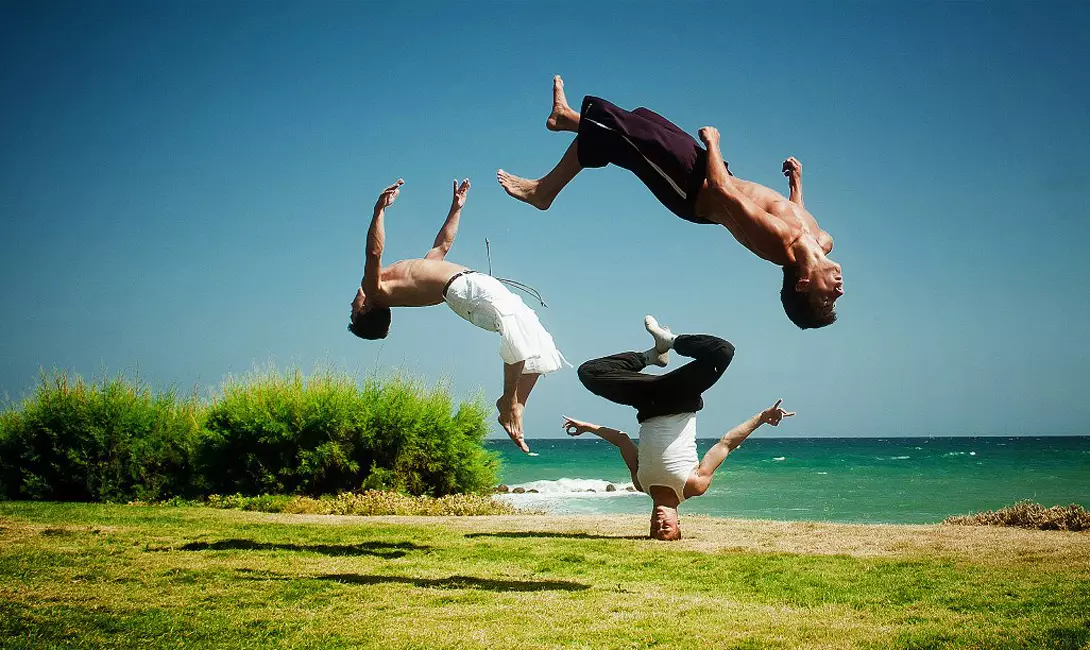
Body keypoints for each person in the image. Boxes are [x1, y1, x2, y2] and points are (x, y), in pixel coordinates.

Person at [497, 76, 844, 329]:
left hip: (693, 191)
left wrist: (714, 143)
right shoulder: (820, 241)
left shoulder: (777, 242)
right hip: (707, 174)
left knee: (619, 129)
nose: (839, 291)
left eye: (827, 297)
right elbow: (795, 214)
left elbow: (723, 191)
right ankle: (566, 124)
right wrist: (796, 185)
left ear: (803, 284)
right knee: (639, 122)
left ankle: (544, 190)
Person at [348, 178, 567, 453]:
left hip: (473, 286)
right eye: (354, 310)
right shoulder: (377, 291)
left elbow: (442, 247)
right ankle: (509, 402)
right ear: (366, 309)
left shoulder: (402, 280)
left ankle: (516, 404)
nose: (353, 303)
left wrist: (456, 208)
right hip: (466, 291)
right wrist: (379, 210)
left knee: (539, 340)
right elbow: (374, 252)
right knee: (517, 333)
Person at [564, 316, 794, 540]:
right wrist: (761, 417)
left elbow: (623, 440)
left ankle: (652, 356)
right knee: (723, 351)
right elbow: (725, 444)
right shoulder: (694, 485)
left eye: (655, 530)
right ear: (678, 523)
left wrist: (589, 427)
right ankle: (671, 341)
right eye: (667, 528)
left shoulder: (640, 483)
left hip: (646, 401)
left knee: (588, 372)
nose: (659, 524)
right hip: (679, 397)